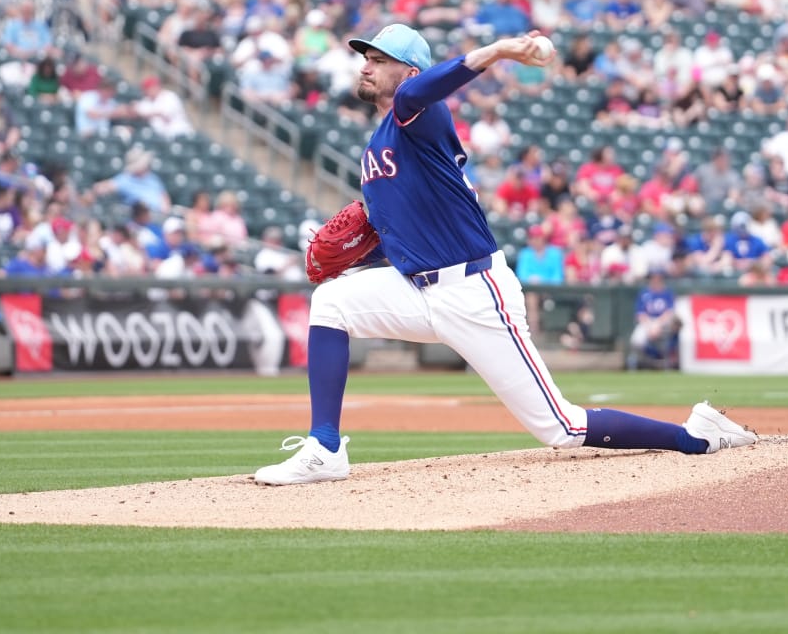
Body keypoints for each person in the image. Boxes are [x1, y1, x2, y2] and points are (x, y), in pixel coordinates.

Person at [252, 24, 757, 485]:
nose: (365, 63)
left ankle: (696, 435)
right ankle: (325, 447)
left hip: (475, 292)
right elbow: (398, 230)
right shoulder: (379, 143)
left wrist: (495, 52)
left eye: (379, 58)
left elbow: (425, 88)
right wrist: (362, 252)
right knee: (333, 301)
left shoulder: (418, 112)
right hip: (416, 288)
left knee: (561, 426)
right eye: (365, 56)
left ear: (408, 71)